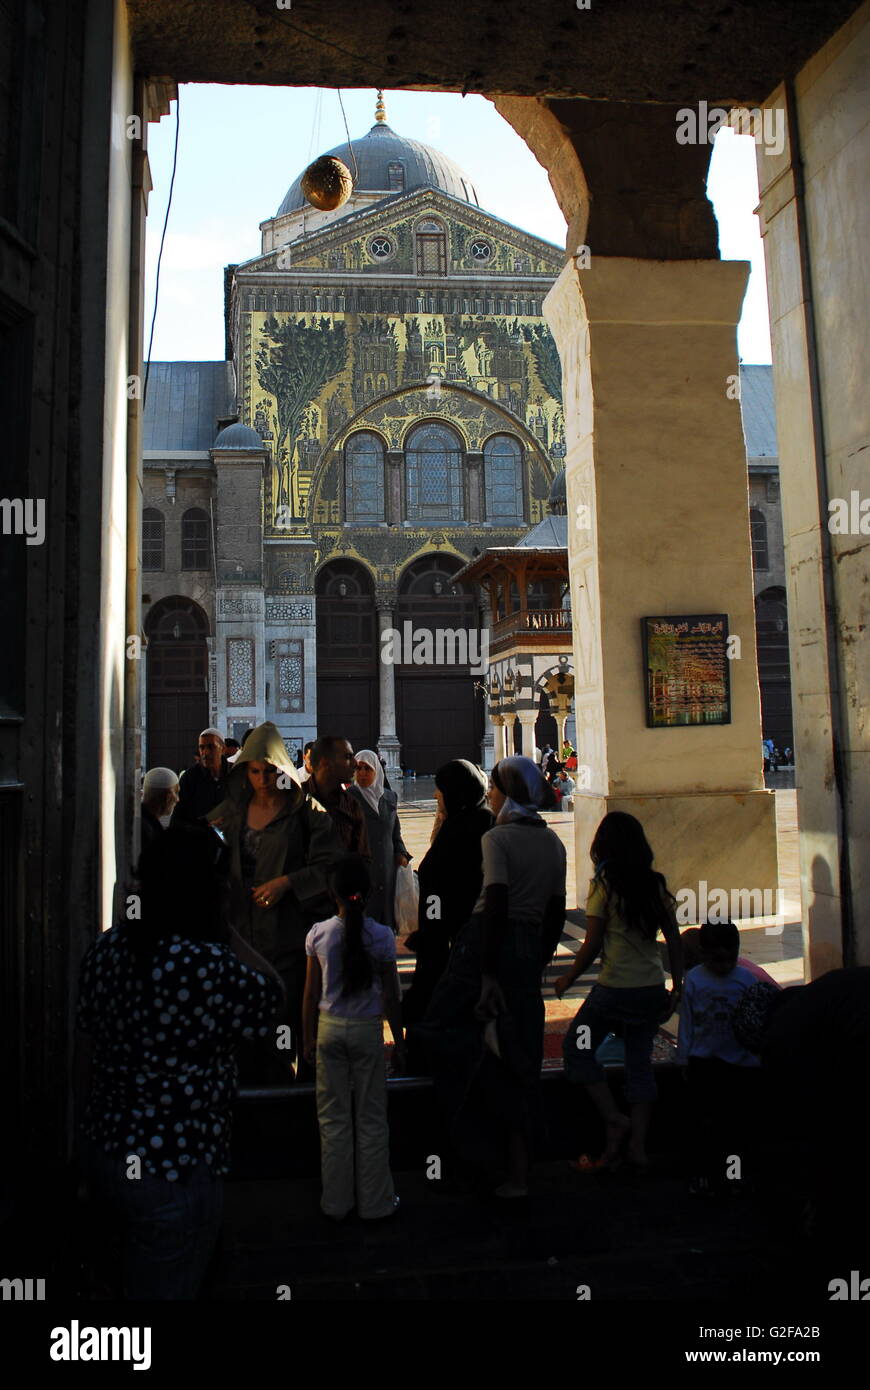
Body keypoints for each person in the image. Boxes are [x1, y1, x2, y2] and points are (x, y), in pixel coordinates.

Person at [74, 825, 284, 1299]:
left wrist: (82, 1147)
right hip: (175, 1166)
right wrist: (224, 926)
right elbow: (271, 993)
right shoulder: (204, 964)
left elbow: (83, 1056)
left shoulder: (107, 950)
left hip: (107, 1153)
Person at [420, 756, 566, 1197]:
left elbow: (496, 903)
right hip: (528, 946)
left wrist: (486, 975)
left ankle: (465, 1154)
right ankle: (520, 1174)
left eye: (497, 789)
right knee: (521, 1057)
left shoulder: (497, 838)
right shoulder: (554, 844)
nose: (492, 796)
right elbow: (556, 912)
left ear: (508, 793)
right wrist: (536, 959)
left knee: (442, 1034)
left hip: (484, 945)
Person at [208, 721, 344, 1081]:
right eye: (254, 772)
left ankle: (288, 1083)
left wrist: (287, 882)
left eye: (270, 772)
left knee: (285, 1013)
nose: (263, 780)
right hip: (239, 935)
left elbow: (331, 865)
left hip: (288, 934)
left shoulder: (307, 813)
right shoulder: (231, 813)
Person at [555, 811, 683, 1175]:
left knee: (576, 1050)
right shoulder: (654, 884)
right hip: (649, 990)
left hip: (613, 990)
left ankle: (613, 1118)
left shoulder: (604, 886)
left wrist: (568, 977)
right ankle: (639, 1148)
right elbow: (673, 937)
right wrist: (679, 984)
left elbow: (593, 943)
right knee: (639, 1065)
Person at [303, 855, 405, 1220]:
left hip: (329, 1028)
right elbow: (392, 996)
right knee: (372, 1119)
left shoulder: (319, 934)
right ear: (369, 892)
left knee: (333, 1121)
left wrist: (307, 1040)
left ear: (333, 895)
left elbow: (310, 995)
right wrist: (401, 1042)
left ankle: (336, 1202)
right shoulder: (380, 936)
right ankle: (376, 1203)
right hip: (366, 1031)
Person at [402, 759, 495, 1034]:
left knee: (442, 1001)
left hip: (453, 940)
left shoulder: (465, 831)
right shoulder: (473, 821)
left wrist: (431, 928)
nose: (435, 796)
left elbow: (447, 888)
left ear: (455, 793)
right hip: (450, 935)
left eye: (440, 790)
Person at [676, 919, 762, 1196]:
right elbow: (687, 1023)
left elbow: (754, 1025)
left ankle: (732, 1175)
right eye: (717, 959)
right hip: (705, 1061)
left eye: (729, 959)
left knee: (737, 1126)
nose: (724, 966)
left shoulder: (747, 981)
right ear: (704, 953)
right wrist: (683, 1057)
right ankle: (704, 1174)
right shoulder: (695, 979)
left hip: (740, 1063)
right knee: (705, 1123)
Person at [348, 749, 410, 928]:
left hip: (387, 867)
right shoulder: (349, 798)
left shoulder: (390, 797)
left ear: (377, 771)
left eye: (367, 769)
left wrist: (401, 852)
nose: (362, 774)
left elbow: (395, 831)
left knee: (386, 914)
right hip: (363, 867)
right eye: (358, 769)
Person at [306, 735, 370, 857]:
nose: (355, 763)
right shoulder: (296, 800)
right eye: (347, 757)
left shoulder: (352, 804)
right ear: (326, 763)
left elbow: (362, 857)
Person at [171, 728, 229, 826]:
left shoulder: (235, 773)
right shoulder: (190, 778)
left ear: (223, 749)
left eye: (211, 747)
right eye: (202, 748)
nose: (205, 753)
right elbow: (178, 819)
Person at [140, 767, 179, 854]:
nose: (177, 799)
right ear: (168, 797)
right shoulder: (150, 832)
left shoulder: (142, 822)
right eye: (176, 793)